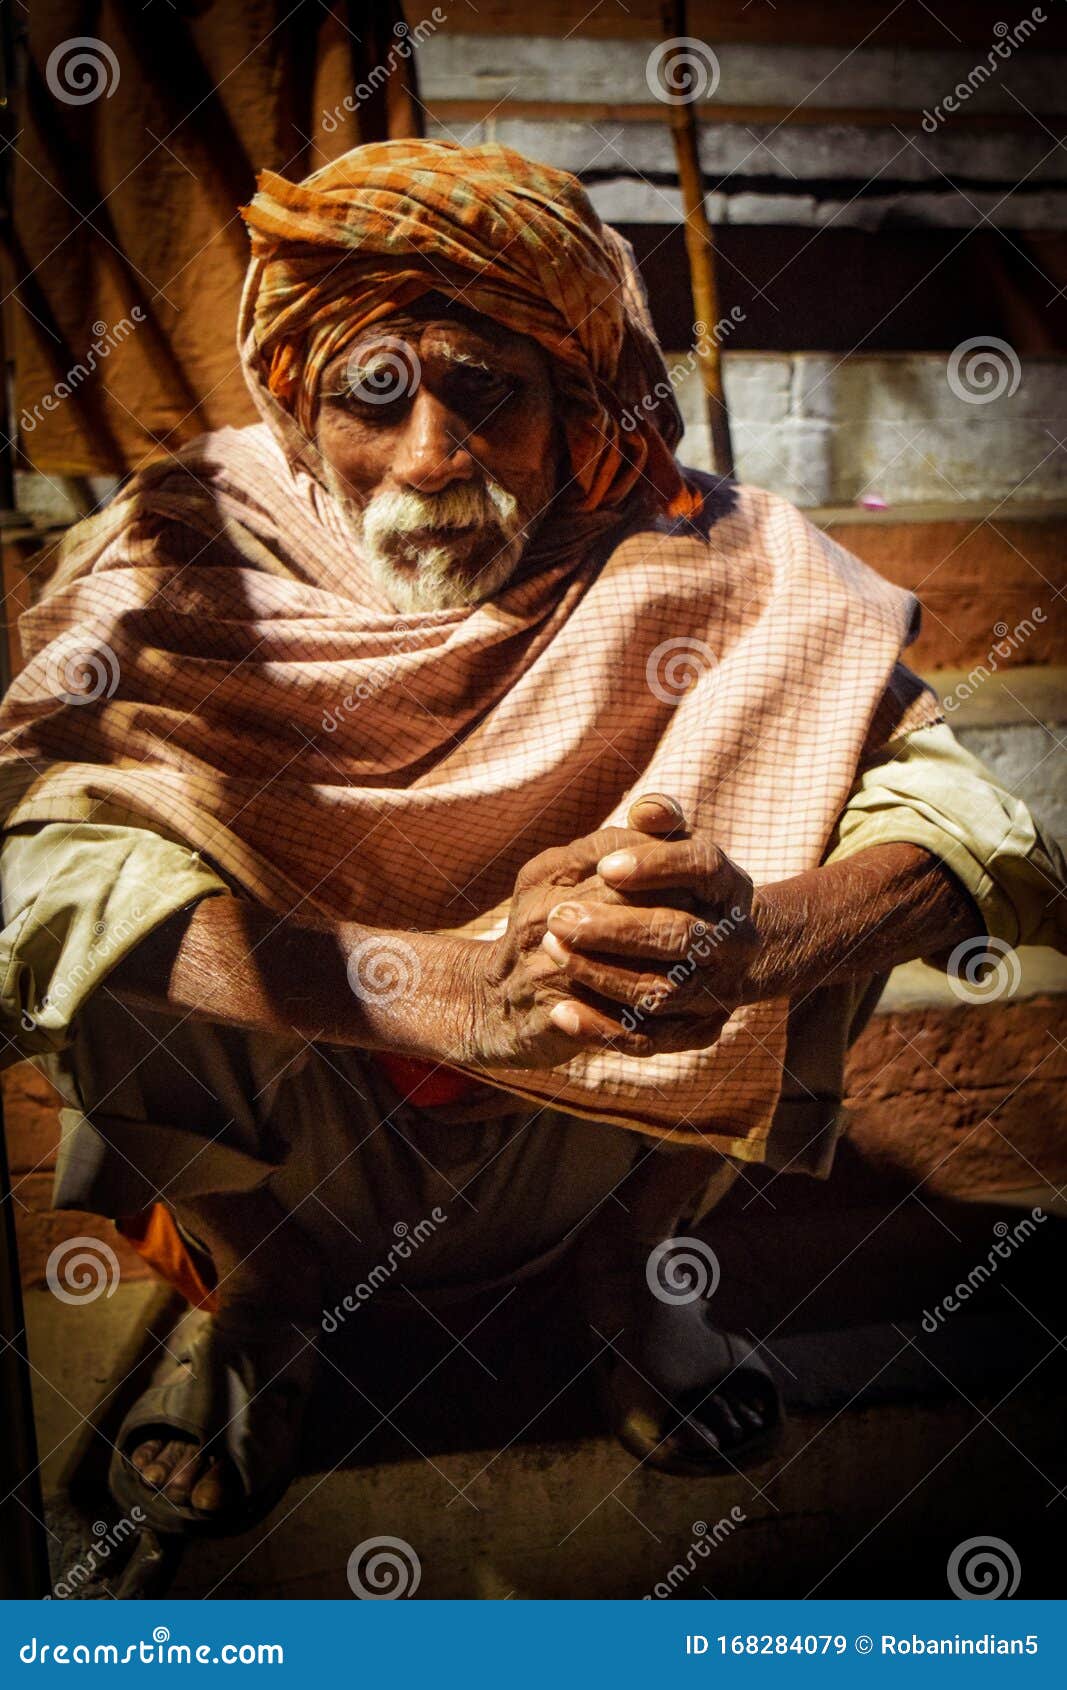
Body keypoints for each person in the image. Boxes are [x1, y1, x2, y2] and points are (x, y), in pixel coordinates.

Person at [0, 141, 1061, 1535]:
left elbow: (982, 828)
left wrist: (760, 942)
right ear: (303, 405)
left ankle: (631, 1267)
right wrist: (432, 985)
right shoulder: (189, 542)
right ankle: (260, 1295)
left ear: (573, 403)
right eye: (376, 392)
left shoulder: (712, 546)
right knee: (110, 902)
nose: (436, 455)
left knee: (843, 852)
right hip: (305, 1127)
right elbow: (30, 870)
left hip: (601, 1120)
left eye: (488, 391)